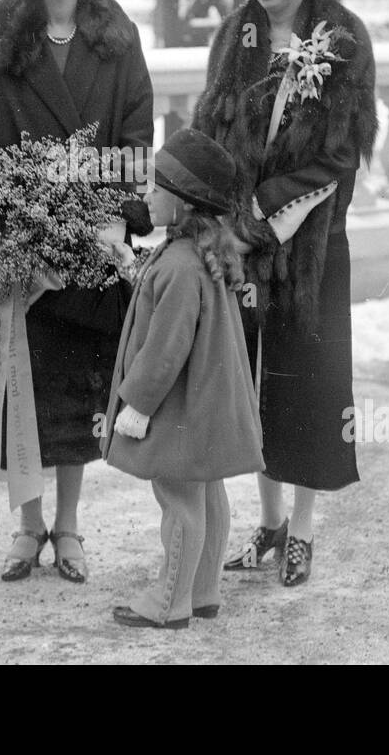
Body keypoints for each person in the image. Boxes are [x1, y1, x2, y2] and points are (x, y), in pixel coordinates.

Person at [0, 0, 154, 584]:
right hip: (16, 251)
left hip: (89, 245)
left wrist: (108, 220)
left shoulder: (118, 36)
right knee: (16, 388)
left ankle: (68, 527)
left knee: (77, 392)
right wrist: (2, 228)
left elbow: (135, 142)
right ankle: (27, 526)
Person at [192, 0, 378, 589]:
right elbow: (210, 131)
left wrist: (257, 218)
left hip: (309, 244)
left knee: (305, 378)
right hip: (236, 247)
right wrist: (214, 218)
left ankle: (302, 529)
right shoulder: (233, 37)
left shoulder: (341, 39)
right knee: (246, 378)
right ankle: (266, 523)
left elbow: (338, 155)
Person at [102, 128, 264, 629]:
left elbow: (165, 350)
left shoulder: (178, 265)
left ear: (182, 203)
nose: (146, 197)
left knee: (178, 499)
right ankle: (202, 591)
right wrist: (131, 265)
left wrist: (137, 405)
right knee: (207, 494)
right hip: (206, 406)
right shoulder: (198, 255)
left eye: (156, 189)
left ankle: (168, 601)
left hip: (177, 409)